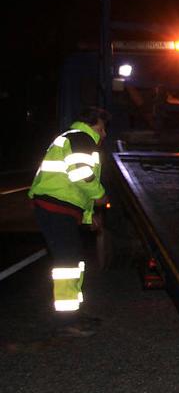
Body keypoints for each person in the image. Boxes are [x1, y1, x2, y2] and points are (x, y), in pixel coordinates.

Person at [27, 106, 110, 337]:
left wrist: (88, 215)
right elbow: (81, 175)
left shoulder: (73, 139)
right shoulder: (81, 139)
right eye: (103, 129)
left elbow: (73, 187)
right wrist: (101, 195)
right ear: (95, 125)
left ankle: (73, 314)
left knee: (72, 263)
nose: (104, 134)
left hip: (58, 209)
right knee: (67, 264)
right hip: (55, 208)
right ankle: (66, 321)